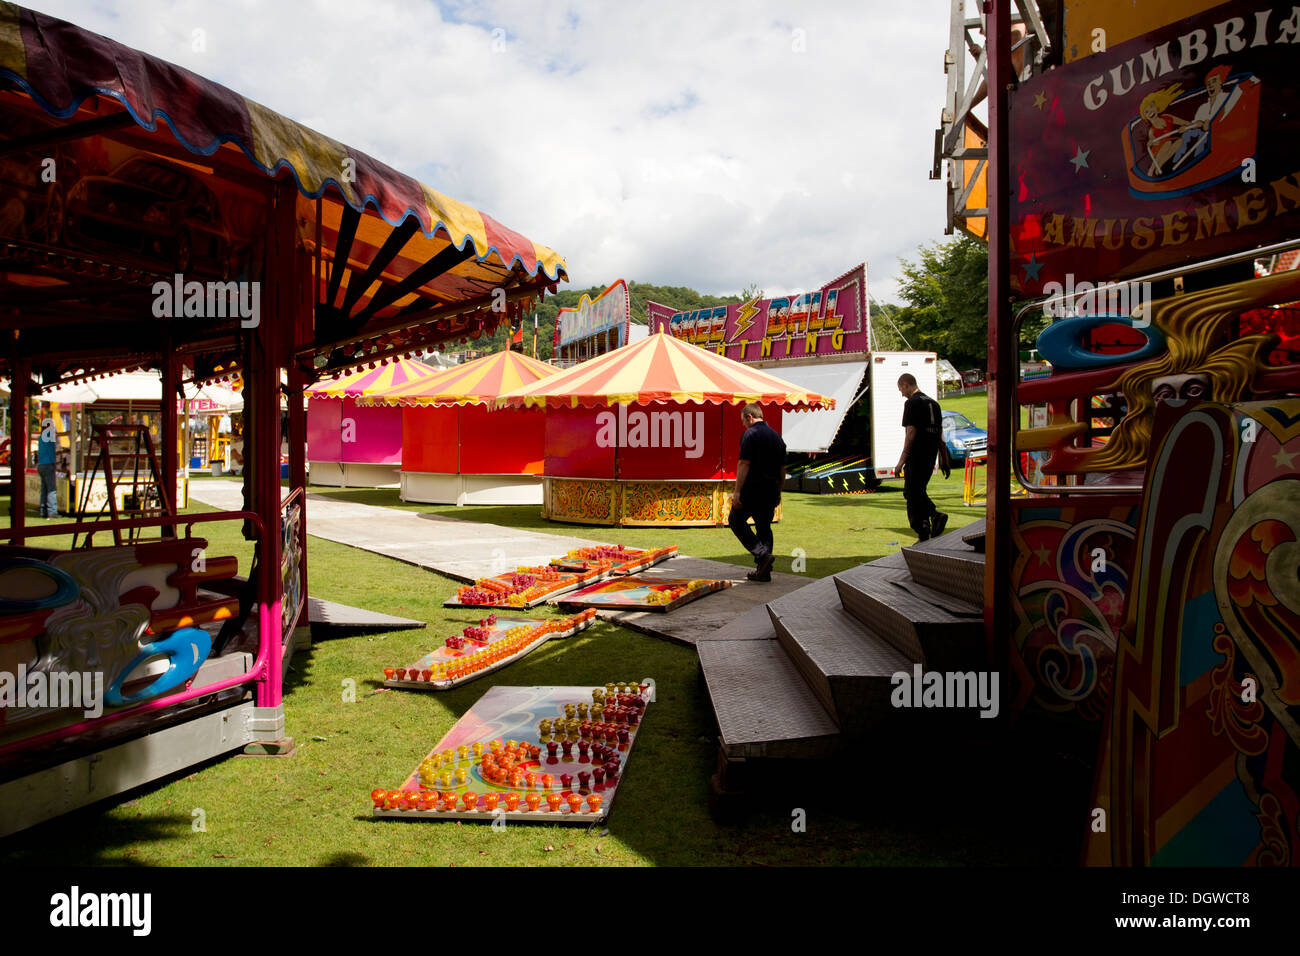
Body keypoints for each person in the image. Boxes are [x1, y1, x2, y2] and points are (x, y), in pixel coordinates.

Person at [728, 403, 785, 582]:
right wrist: (779, 491)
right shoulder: (777, 437)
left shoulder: (750, 434)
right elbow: (783, 468)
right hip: (771, 490)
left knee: (735, 521)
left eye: (743, 421)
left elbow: (744, 463)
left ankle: (762, 555)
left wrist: (737, 492)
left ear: (749, 417)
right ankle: (764, 572)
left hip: (752, 488)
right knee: (763, 527)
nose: (743, 425)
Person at [895, 374, 949, 541]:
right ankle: (925, 527)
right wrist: (944, 459)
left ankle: (930, 519)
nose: (902, 394)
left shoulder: (912, 403)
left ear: (906, 384)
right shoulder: (934, 404)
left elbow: (911, 433)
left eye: (901, 389)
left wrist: (901, 461)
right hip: (930, 455)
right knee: (918, 491)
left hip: (917, 454)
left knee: (911, 493)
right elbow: (940, 436)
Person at [36, 405, 58, 518]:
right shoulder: (50, 434)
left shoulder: (41, 437)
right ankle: (53, 512)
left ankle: (43, 511)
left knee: (44, 489)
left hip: (41, 465)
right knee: (52, 489)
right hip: (48, 465)